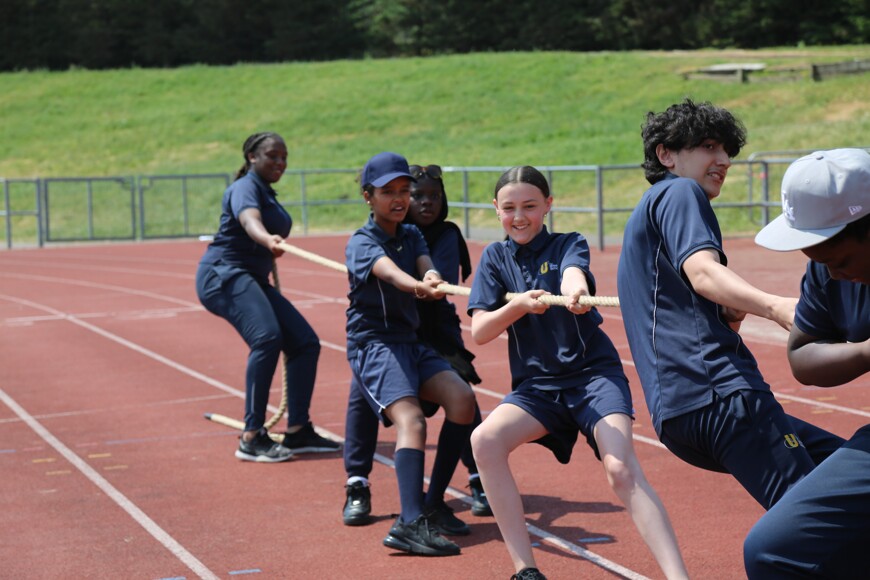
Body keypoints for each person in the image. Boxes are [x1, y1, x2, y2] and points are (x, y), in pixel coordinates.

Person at [617, 99, 844, 510]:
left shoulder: (648, 214)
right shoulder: (680, 192)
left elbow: (696, 300)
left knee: (846, 466)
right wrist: (779, 308)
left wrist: (728, 316)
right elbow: (703, 274)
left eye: (727, 150)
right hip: (720, 394)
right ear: (665, 155)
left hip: (681, 413)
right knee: (812, 523)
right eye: (708, 146)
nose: (723, 159)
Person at [468, 166, 688, 580]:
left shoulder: (570, 243)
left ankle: (678, 577)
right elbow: (480, 330)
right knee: (485, 440)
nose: (520, 217)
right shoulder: (495, 258)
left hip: (592, 378)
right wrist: (517, 306)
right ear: (495, 209)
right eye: (510, 208)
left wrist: (574, 291)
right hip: (539, 389)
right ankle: (525, 570)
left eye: (530, 207)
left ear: (548, 206)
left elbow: (573, 271)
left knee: (620, 468)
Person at [342, 163, 490, 529]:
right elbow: (388, 272)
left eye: (403, 191)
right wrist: (416, 285)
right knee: (412, 420)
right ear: (368, 197)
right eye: (388, 192)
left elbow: (425, 263)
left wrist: (432, 276)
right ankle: (408, 522)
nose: (399, 199)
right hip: (374, 344)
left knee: (462, 399)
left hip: (411, 341)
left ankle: (433, 502)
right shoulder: (362, 242)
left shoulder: (411, 234)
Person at [745, 148, 870, 578]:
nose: (832, 275)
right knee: (772, 550)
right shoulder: (826, 271)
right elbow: (802, 355)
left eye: (840, 260)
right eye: (819, 262)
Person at [195, 132, 340, 462]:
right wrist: (266, 239)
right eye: (273, 156)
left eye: (284, 157)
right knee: (267, 337)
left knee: (304, 342)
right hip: (223, 275)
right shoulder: (245, 188)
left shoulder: (266, 192)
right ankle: (251, 437)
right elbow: (250, 221)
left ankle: (298, 430)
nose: (280, 162)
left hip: (252, 278)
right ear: (251, 157)